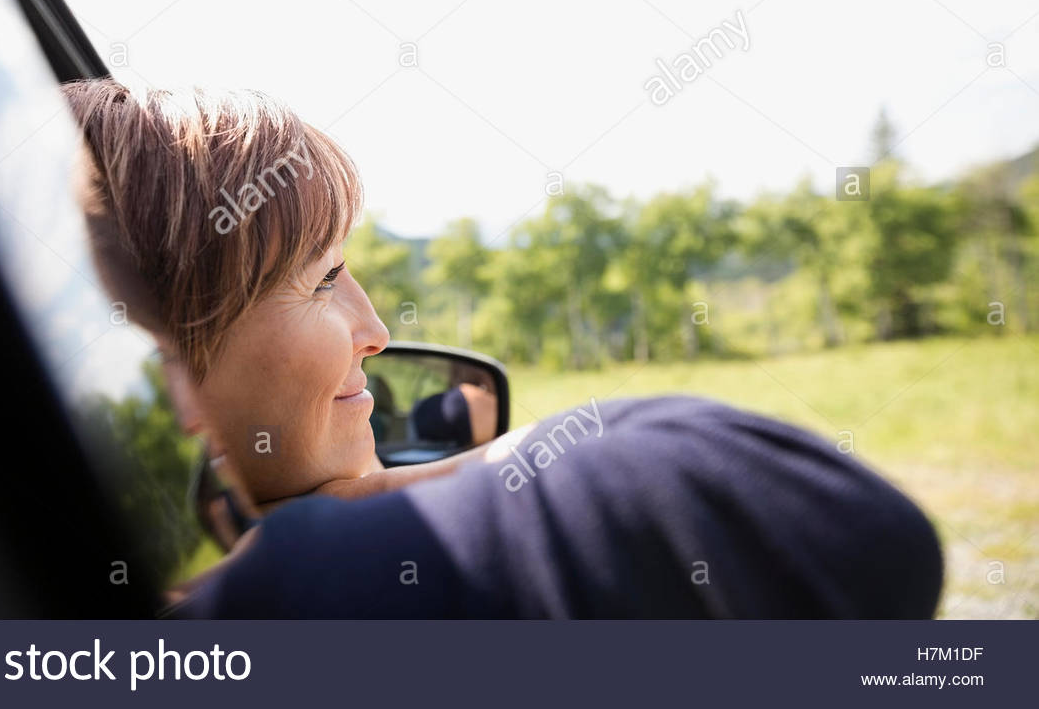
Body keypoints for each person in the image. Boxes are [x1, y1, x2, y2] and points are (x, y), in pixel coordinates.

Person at [62, 78, 943, 618]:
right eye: (322, 279)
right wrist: (347, 522)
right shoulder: (283, 604)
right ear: (171, 372)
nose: (375, 332)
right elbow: (834, 519)